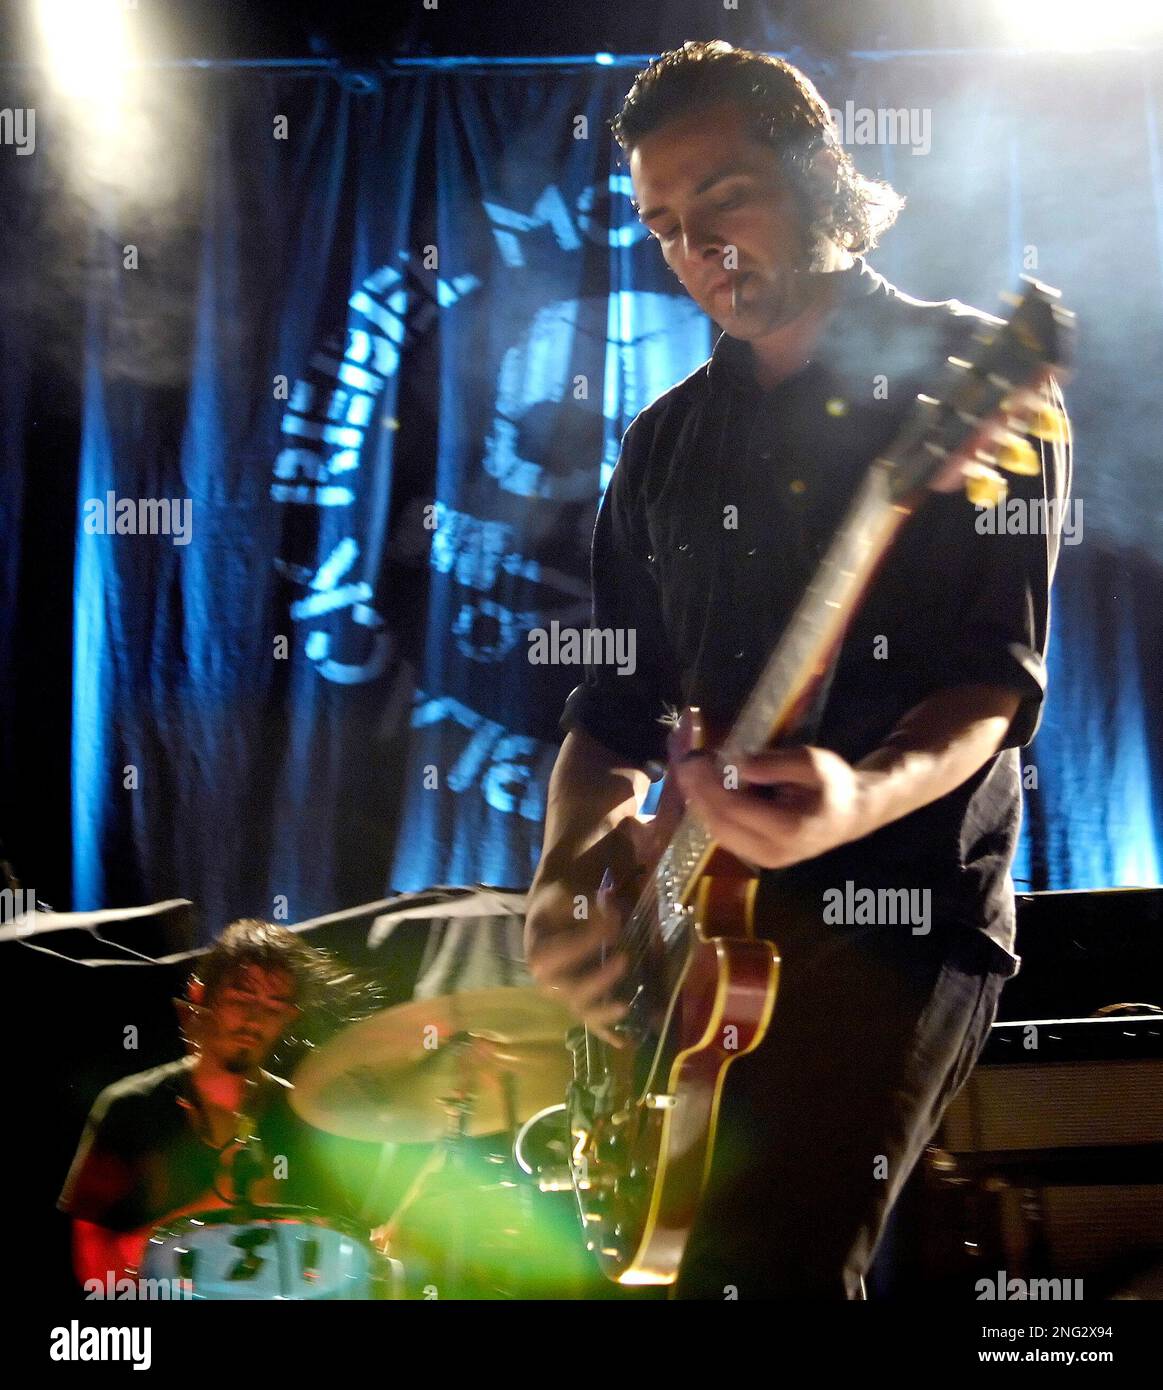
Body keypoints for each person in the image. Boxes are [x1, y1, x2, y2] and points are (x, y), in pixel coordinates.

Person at [524, 41, 1071, 1299]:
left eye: (721, 193)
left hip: (892, 923)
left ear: (819, 171)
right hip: (688, 952)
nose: (693, 246)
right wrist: (565, 871)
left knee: (762, 1271)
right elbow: (609, 713)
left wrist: (858, 795)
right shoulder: (659, 444)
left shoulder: (966, 374)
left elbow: (990, 684)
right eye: (661, 223)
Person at [59, 919, 346, 1287]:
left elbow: (327, 1250)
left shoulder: (295, 1112)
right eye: (241, 998)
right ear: (199, 995)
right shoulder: (128, 1107)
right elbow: (96, 1270)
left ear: (290, 1019)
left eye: (274, 1007)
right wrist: (216, 1205)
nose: (254, 1020)